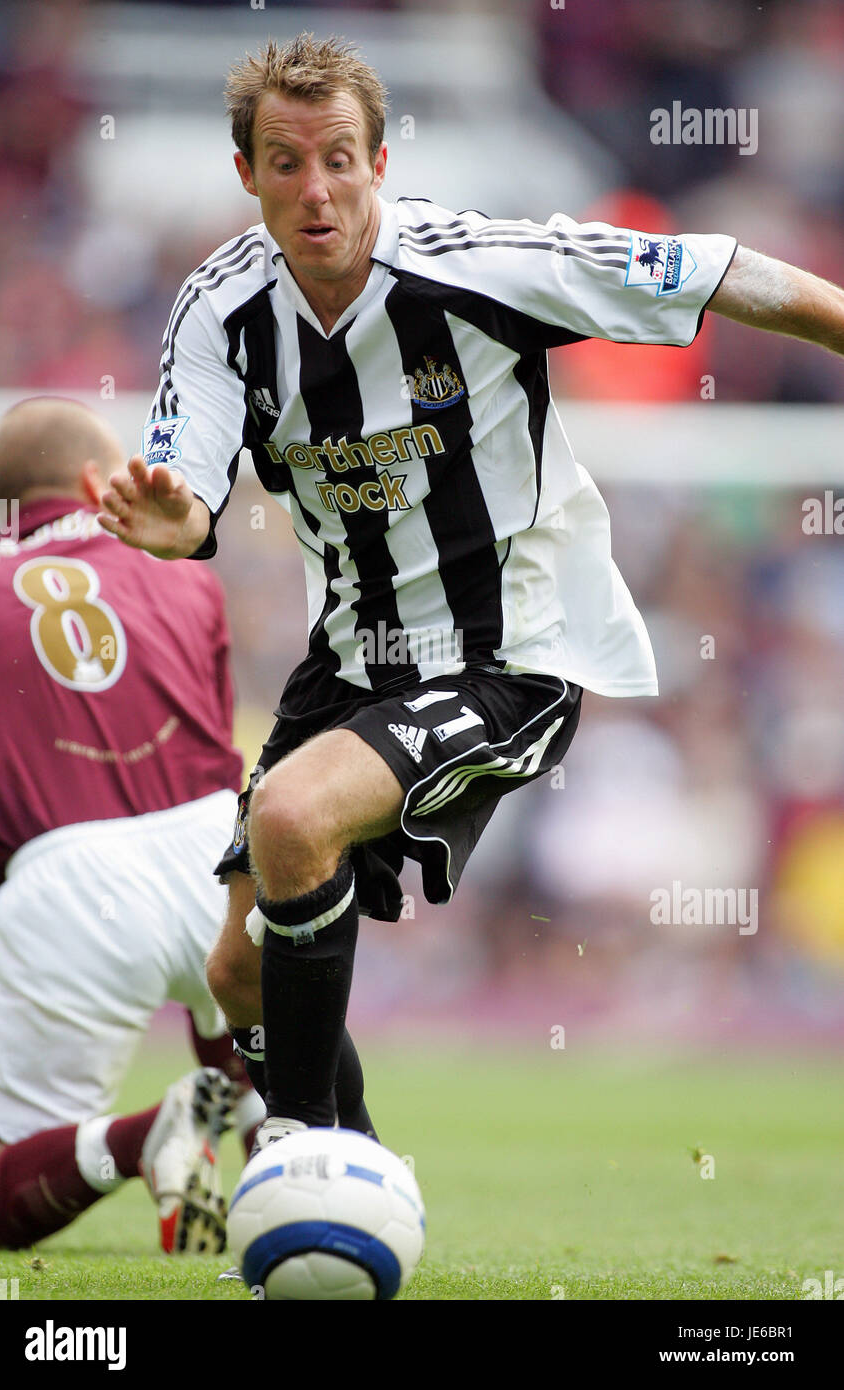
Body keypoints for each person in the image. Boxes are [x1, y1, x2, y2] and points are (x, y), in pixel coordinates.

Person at [97, 34, 844, 1155]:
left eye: (339, 158)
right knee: (236, 972)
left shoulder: (478, 263)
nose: (317, 189)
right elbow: (188, 483)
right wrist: (177, 521)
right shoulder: (218, 310)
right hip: (349, 661)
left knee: (294, 820)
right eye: (286, 162)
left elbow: (710, 269)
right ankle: (357, 1182)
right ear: (244, 171)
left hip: (510, 655)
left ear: (380, 161)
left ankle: (297, 1164)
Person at [0, 397, 268, 1254]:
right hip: (217, 850)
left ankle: (140, 1140)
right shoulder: (182, 565)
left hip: (68, 884)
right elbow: (217, 747)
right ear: (96, 482)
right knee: (265, 1062)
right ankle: (291, 1195)